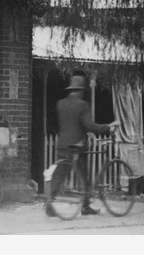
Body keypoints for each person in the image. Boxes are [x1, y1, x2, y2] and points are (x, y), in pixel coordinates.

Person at [50, 71, 120, 216]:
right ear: (81, 90)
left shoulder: (60, 104)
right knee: (85, 175)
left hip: (62, 145)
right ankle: (86, 206)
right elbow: (90, 127)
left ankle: (48, 202)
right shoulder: (83, 105)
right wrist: (109, 126)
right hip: (77, 146)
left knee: (60, 174)